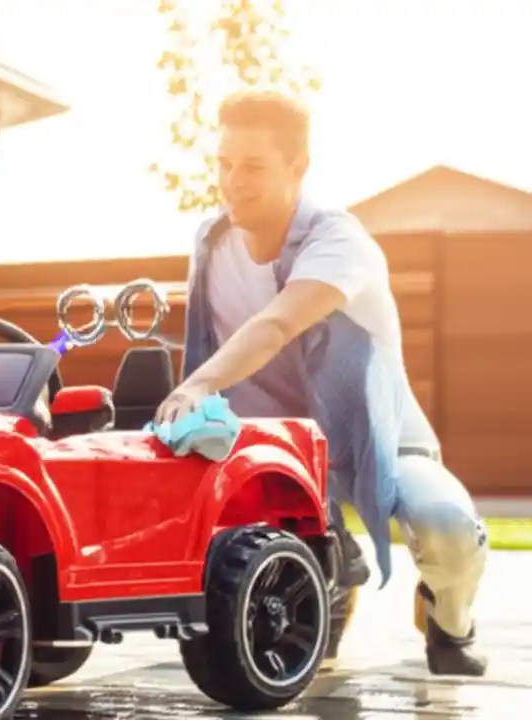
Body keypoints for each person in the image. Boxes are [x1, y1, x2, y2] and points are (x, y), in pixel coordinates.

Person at [156, 89, 488, 676]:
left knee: (449, 530)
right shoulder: (210, 242)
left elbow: (278, 323)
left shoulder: (340, 242)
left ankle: (447, 621)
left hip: (371, 442)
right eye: (224, 163)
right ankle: (335, 567)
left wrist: (197, 385)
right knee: (291, 637)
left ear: (298, 167)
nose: (233, 180)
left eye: (253, 166)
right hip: (277, 449)